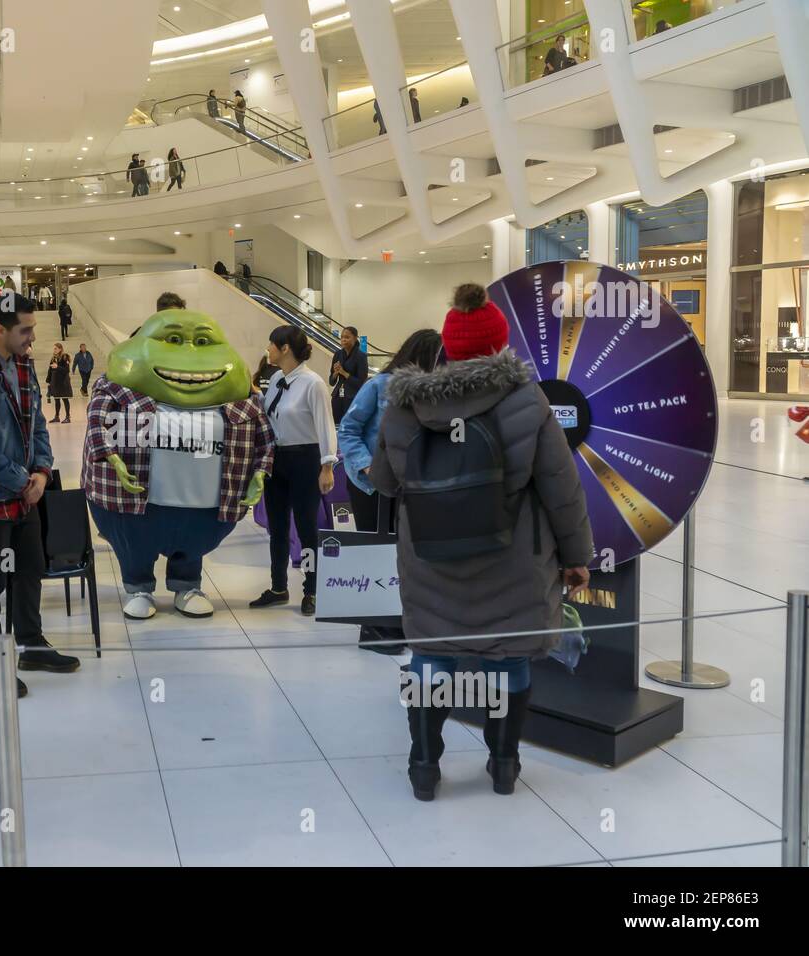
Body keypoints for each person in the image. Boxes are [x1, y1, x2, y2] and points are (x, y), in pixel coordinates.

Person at [369, 284, 593, 802]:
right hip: (512, 563)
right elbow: (562, 490)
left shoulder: (405, 405)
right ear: (499, 347)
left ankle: (424, 765)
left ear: (448, 345)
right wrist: (577, 557)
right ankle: (503, 765)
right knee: (508, 657)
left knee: (430, 657)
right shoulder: (526, 400)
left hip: (429, 561)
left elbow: (383, 481)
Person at [83, 309, 273, 620]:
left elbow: (264, 439)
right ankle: (139, 586)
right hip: (138, 500)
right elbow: (97, 425)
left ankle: (188, 584)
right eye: (172, 339)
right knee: (135, 543)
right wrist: (111, 456)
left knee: (194, 542)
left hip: (205, 501)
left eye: (202, 340)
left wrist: (260, 473)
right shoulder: (116, 393)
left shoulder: (243, 404)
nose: (188, 352)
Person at [0, 292, 79, 697]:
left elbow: (38, 424)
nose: (32, 337)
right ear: (0, 329)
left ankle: (31, 644)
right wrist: (24, 481)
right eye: (25, 330)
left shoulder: (23, 365)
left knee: (30, 571)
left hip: (25, 494)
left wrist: (42, 472)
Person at [336, 329, 441, 655]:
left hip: (411, 489)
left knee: (405, 554)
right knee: (373, 548)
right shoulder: (377, 386)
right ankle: (375, 625)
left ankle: (400, 622)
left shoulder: (434, 392)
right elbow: (348, 428)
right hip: (370, 486)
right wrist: (367, 466)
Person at [252, 326, 335, 617]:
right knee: (277, 527)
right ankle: (278, 587)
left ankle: (312, 590)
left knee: (306, 528)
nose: (268, 350)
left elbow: (326, 425)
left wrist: (327, 466)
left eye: (271, 344)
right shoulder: (276, 378)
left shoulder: (313, 384)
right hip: (278, 458)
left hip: (306, 458)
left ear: (285, 348)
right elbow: (267, 411)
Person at [329, 325, 369, 423]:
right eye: (342, 337)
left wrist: (344, 373)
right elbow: (331, 381)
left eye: (347, 337)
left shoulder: (361, 356)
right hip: (338, 396)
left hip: (353, 398)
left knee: (350, 425)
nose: (343, 340)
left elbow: (361, 382)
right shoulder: (338, 354)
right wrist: (336, 373)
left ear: (355, 338)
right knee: (336, 425)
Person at [46, 342, 73, 423]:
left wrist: (57, 367)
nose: (54, 350)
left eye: (55, 348)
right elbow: (50, 370)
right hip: (55, 382)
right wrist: (49, 381)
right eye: (53, 348)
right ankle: (57, 417)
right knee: (56, 399)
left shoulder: (65, 357)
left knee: (65, 399)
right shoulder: (53, 358)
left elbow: (66, 370)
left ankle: (68, 417)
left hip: (63, 382)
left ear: (60, 349)